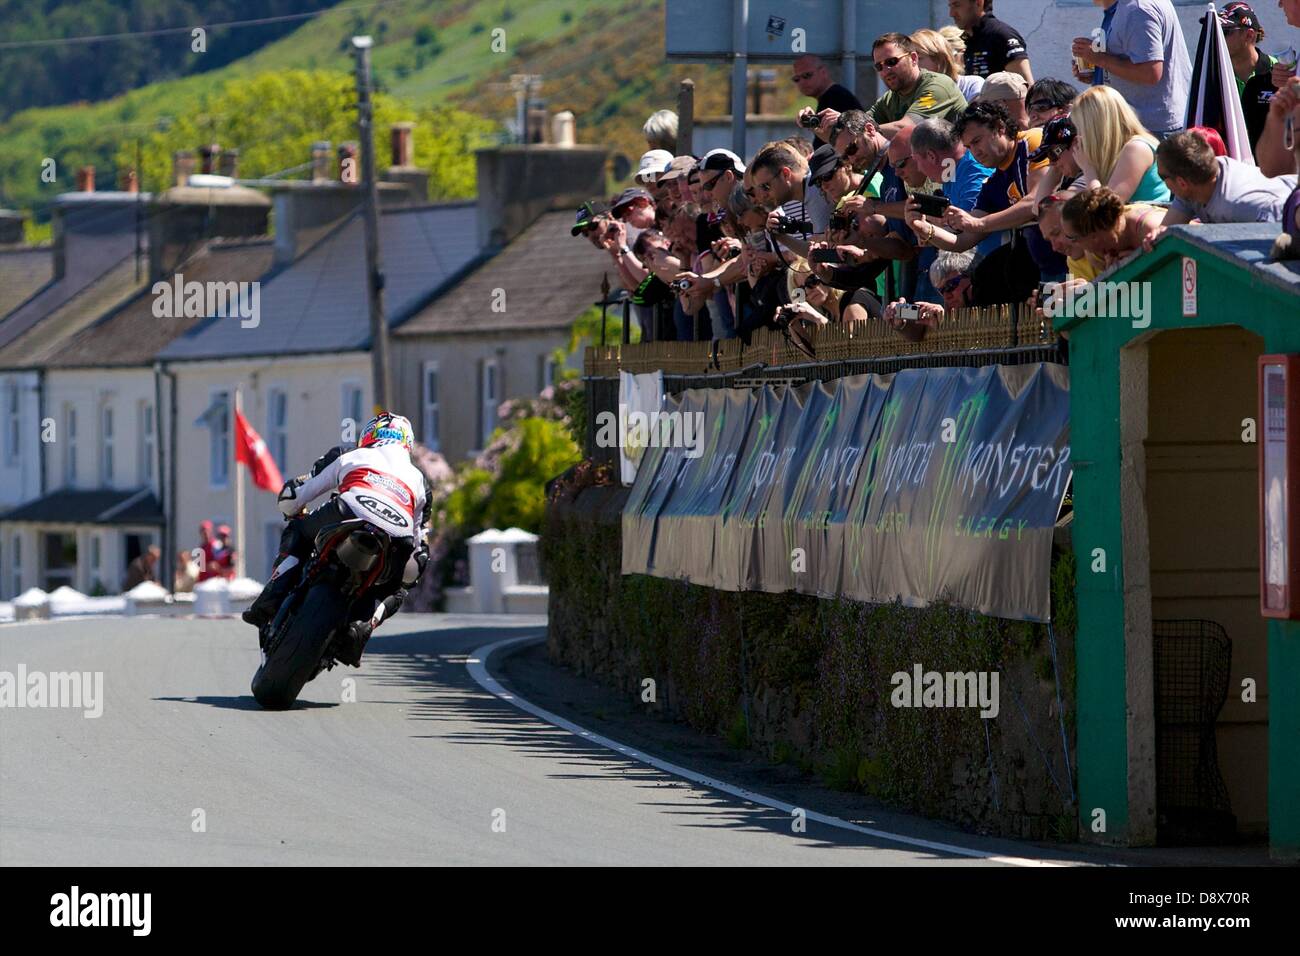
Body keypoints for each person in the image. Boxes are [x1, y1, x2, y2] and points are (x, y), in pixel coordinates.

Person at [242, 414, 432, 667]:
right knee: (400, 585)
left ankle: (270, 599)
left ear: (368, 435)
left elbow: (292, 497)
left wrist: (294, 512)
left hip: (349, 510)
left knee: (298, 529)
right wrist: (406, 577)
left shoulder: (351, 454)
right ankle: (363, 628)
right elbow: (417, 553)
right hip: (398, 535)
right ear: (407, 443)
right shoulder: (420, 481)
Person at [1071, 0, 1192, 140]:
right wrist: (1098, 73)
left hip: (1151, 129)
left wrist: (1099, 59)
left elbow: (1150, 73)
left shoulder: (1138, 9)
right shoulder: (1126, 8)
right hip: (1142, 126)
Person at [1155, 129, 1298, 225]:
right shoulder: (1192, 186)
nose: (1163, 180)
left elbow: (1288, 223)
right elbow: (1168, 230)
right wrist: (1158, 236)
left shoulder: (1242, 204)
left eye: (1162, 176)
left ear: (1181, 183)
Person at [1069, 84, 1170, 203]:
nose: (1080, 135)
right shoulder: (1122, 148)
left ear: (1095, 127)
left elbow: (1107, 208)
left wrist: (1088, 169)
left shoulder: (1136, 148)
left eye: (1080, 127)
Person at [863, 33, 969, 137]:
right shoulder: (890, 98)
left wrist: (864, 133)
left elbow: (907, 129)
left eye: (891, 62)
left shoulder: (937, 87)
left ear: (913, 58)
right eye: (879, 66)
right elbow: (861, 123)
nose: (886, 71)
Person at [1060, 186, 1167, 268]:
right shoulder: (1096, 257)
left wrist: (1141, 263)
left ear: (1093, 236)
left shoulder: (1149, 228)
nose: (1072, 243)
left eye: (1072, 238)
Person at [947, 0, 1032, 82]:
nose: (951, 13)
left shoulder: (1001, 35)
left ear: (978, 2)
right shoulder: (972, 39)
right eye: (950, 6)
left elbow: (1026, 88)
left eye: (956, 5)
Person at [791, 54, 864, 148]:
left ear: (823, 72)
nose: (802, 82)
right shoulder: (830, 96)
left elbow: (839, 143)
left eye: (807, 75)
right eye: (796, 79)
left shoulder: (836, 96)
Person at [912, 27, 984, 103]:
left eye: (919, 58)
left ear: (940, 59)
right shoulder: (913, 94)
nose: (913, 64)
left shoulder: (972, 85)